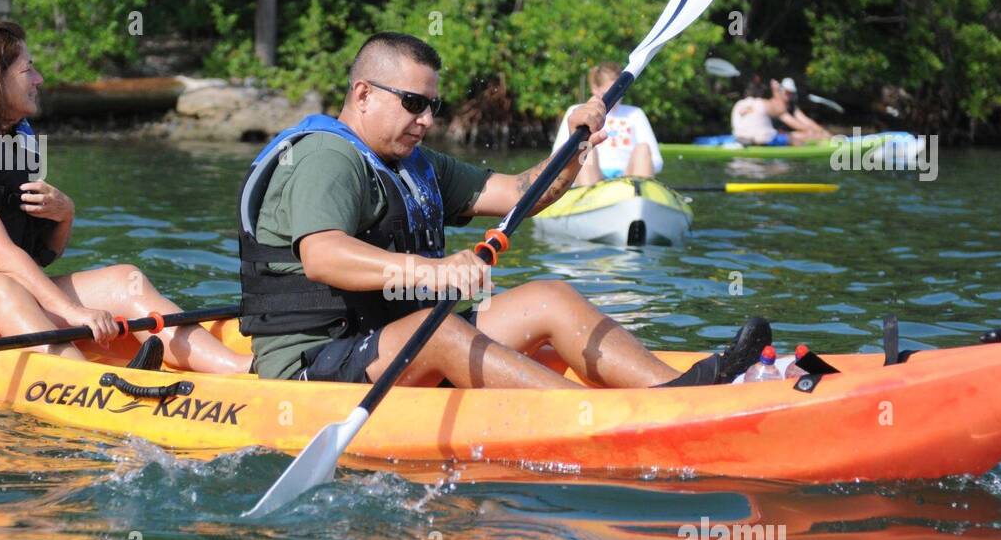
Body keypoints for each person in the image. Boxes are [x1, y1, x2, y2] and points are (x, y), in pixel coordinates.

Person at [238, 31, 770, 390]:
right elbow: (323, 256)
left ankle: (674, 393)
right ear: (362, 93)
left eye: (434, 106)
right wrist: (437, 270)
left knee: (548, 297)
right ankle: (600, 419)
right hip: (312, 365)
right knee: (442, 329)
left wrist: (574, 149)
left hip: (392, 336)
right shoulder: (325, 156)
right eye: (414, 103)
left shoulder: (415, 164)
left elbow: (519, 191)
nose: (426, 119)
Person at [0, 21, 250, 373]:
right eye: (28, 69)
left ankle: (236, 369)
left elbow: (41, 257)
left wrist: (65, 216)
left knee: (124, 281)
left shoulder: (6, 146)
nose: (39, 79)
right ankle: (98, 391)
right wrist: (72, 311)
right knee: (2, 291)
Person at [553, 62, 663, 187]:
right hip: (590, 177)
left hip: (628, 178)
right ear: (595, 88)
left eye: (619, 92)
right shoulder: (578, 111)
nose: (615, 98)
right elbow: (556, 156)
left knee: (643, 148)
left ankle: (638, 198)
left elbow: (657, 161)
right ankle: (590, 199)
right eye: (610, 92)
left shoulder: (635, 113)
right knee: (586, 149)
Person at [730, 78, 828, 146]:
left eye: (791, 93)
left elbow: (806, 121)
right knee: (808, 135)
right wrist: (817, 133)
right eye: (786, 92)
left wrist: (821, 131)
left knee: (813, 133)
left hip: (742, 136)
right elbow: (799, 125)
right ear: (779, 92)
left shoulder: (743, 103)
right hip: (765, 138)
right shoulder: (774, 107)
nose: (789, 96)